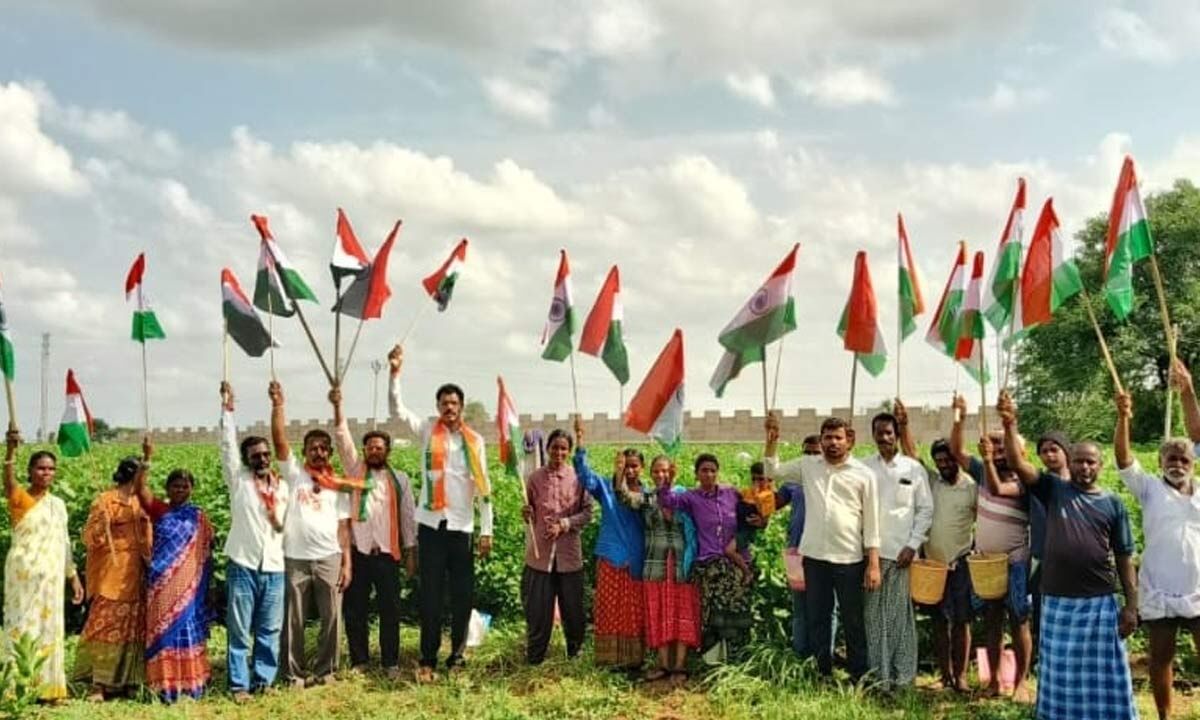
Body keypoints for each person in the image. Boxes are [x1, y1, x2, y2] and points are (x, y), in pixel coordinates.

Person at [999, 392, 1138, 720]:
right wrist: (1010, 424)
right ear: (1070, 463)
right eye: (1079, 460)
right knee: (1059, 674)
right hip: (1058, 602)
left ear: (1100, 466)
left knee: (1104, 673)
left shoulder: (1112, 504)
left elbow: (1124, 557)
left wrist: (1131, 605)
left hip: (1099, 603)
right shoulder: (1054, 490)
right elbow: (1018, 463)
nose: (1085, 466)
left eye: (1091, 461)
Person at [388, 345, 493, 682]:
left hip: (461, 528)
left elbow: (484, 487)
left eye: (454, 403)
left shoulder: (474, 441)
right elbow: (398, 411)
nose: (449, 408)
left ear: (461, 408)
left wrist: (486, 529)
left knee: (462, 595)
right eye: (444, 403)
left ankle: (457, 656)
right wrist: (395, 373)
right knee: (430, 596)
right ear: (437, 407)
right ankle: (428, 658)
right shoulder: (426, 432)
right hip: (431, 526)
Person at [764, 415, 881, 681]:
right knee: (818, 616)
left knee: (853, 620)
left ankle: (858, 675)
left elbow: (872, 524)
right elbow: (773, 471)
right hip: (815, 557)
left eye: (838, 437)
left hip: (849, 559)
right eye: (827, 437)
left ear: (849, 440)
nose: (832, 443)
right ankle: (822, 672)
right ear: (821, 439)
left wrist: (873, 563)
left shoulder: (864, 475)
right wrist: (771, 442)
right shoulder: (808, 465)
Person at [1115, 376, 1200, 720]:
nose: (1177, 464)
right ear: (1161, 462)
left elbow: (1199, 434)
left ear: (1192, 463)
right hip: (1159, 588)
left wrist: (1188, 392)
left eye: (1184, 459)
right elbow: (1122, 459)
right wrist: (1123, 417)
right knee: (1161, 657)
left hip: (1197, 588)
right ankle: (1164, 715)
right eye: (1171, 459)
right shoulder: (1149, 488)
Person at [270, 381, 353, 688]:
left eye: (323, 448)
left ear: (329, 452)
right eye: (312, 448)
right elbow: (279, 442)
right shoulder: (295, 475)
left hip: (329, 558)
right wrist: (279, 405)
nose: (318, 452)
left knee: (332, 619)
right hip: (295, 559)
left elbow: (344, 527)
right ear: (304, 452)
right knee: (293, 620)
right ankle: (293, 673)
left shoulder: (338, 484)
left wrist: (347, 564)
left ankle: (326, 670)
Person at [949, 394, 1033, 701]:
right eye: (993, 446)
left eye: (1003, 445)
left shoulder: (1023, 479)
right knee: (992, 620)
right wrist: (959, 415)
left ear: (1018, 450)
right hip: (986, 563)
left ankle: (1021, 682)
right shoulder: (982, 471)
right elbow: (957, 451)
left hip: (1015, 562)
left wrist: (987, 458)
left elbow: (1000, 489)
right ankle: (995, 680)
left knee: (1019, 619)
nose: (997, 451)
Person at [330, 386, 417, 679]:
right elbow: (342, 439)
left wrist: (410, 552)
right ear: (365, 450)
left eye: (379, 447)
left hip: (388, 556)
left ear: (387, 451)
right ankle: (360, 661)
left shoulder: (400, 479)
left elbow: (407, 518)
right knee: (355, 611)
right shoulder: (356, 471)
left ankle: (390, 662)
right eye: (370, 447)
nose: (374, 451)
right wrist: (338, 406)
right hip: (359, 554)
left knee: (390, 611)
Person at [2, 429, 84, 703]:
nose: (46, 473)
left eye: (50, 469)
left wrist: (73, 577)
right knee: (23, 627)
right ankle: (17, 689)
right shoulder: (22, 500)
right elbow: (9, 483)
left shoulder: (58, 505)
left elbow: (65, 543)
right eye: (40, 468)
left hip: (50, 579)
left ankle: (49, 689)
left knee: (50, 627)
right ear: (30, 471)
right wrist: (11, 452)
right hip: (22, 577)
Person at [219, 381, 288, 701]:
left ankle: (263, 680)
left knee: (269, 629)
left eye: (265, 454)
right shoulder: (239, 481)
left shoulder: (281, 486)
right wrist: (227, 409)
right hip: (243, 563)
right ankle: (238, 685)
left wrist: (277, 403)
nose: (261, 458)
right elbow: (227, 447)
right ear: (247, 459)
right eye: (255, 455)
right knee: (239, 629)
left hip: (274, 565)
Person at [133, 437, 214, 702]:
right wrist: (147, 458)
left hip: (188, 586)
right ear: (168, 488)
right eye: (176, 485)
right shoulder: (159, 510)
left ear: (191, 489)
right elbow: (140, 488)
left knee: (187, 628)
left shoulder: (199, 516)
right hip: (161, 584)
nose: (180, 489)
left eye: (185, 485)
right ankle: (164, 685)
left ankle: (190, 684)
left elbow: (206, 551)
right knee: (161, 630)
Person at [862, 408, 933, 691]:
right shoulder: (864, 467)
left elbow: (925, 510)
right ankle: (878, 679)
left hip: (901, 555)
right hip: (871, 556)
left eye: (889, 433)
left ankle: (902, 679)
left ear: (897, 435)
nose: (884, 438)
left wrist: (913, 544)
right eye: (879, 433)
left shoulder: (913, 468)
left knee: (899, 618)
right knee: (872, 618)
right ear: (873, 436)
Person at [658, 453, 753, 663]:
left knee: (736, 610)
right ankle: (713, 661)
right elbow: (666, 500)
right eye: (704, 470)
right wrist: (668, 481)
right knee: (713, 615)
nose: (709, 474)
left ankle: (737, 659)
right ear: (697, 474)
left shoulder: (731, 493)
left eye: (712, 470)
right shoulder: (692, 497)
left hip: (736, 561)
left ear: (717, 473)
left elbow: (752, 511)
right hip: (709, 565)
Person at [73, 453, 153, 700]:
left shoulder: (142, 501)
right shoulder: (104, 500)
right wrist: (101, 524)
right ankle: (99, 683)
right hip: (111, 568)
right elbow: (88, 539)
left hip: (136, 569)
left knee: (133, 626)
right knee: (106, 623)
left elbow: (150, 534)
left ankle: (128, 679)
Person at [614, 455, 699, 683]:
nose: (661, 475)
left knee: (682, 613)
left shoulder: (684, 497)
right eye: (656, 472)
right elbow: (623, 496)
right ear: (650, 475)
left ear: (673, 472)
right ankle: (663, 664)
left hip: (681, 565)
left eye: (665, 471)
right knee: (658, 612)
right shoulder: (648, 499)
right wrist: (620, 471)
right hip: (655, 565)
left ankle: (680, 665)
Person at [572, 417, 645, 669]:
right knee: (610, 608)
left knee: (632, 611)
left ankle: (632, 660)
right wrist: (580, 441)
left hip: (635, 560)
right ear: (620, 465)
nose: (631, 470)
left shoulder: (646, 495)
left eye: (635, 466)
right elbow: (583, 475)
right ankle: (608, 660)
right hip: (611, 556)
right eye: (627, 466)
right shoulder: (605, 487)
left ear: (642, 469)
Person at [520, 429, 592, 665]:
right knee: (538, 609)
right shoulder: (535, 478)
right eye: (554, 447)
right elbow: (529, 513)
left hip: (569, 554)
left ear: (569, 452)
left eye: (563, 448)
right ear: (547, 448)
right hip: (540, 554)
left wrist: (565, 523)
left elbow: (588, 513)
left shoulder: (578, 478)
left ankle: (575, 653)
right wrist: (526, 513)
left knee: (572, 607)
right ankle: (536, 656)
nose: (558, 452)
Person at [923, 439, 978, 693]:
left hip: (961, 561)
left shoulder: (971, 486)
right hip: (933, 565)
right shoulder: (933, 482)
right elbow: (912, 454)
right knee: (938, 620)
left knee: (962, 620)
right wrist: (903, 427)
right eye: (939, 461)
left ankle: (962, 676)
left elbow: (982, 516)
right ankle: (944, 675)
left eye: (948, 460)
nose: (944, 465)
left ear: (957, 459)